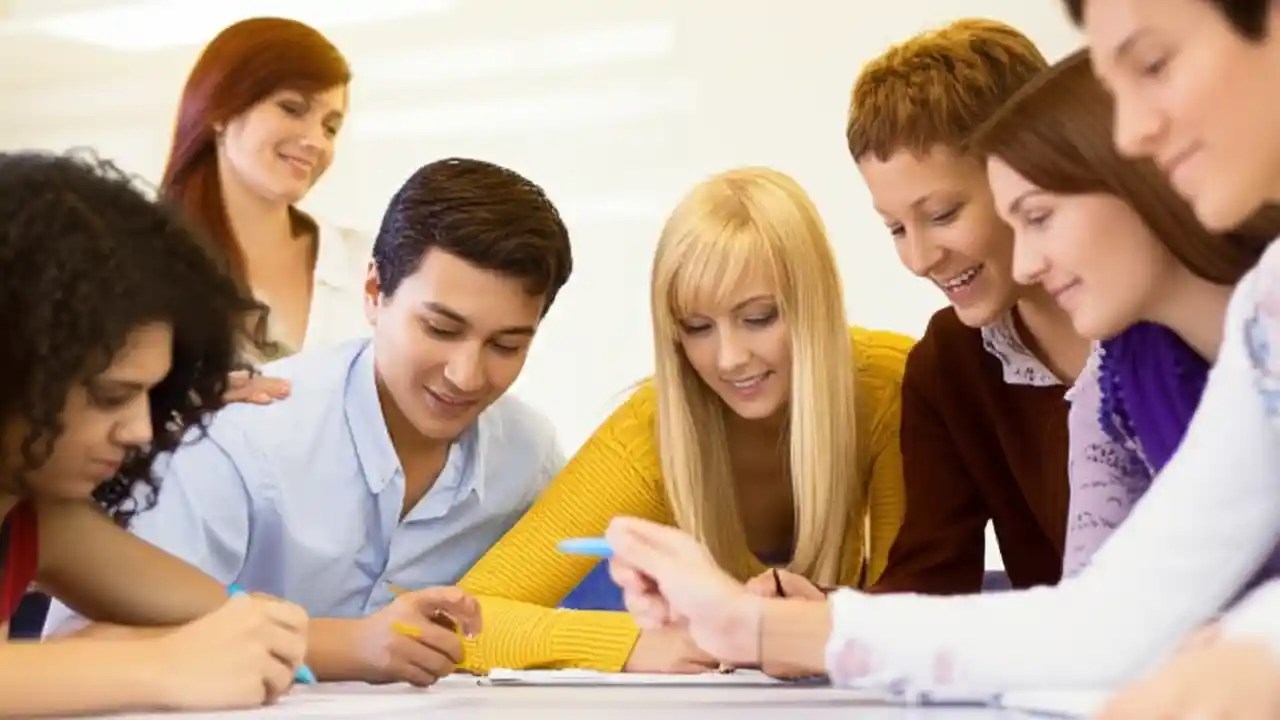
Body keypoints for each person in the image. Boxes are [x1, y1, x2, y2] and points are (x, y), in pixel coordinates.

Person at [598, 45, 1280, 696]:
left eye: (1037, 216)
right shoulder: (1126, 375)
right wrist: (754, 625)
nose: (1030, 261)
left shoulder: (1210, 336)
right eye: (895, 228)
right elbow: (1104, 615)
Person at [43, 157, 567, 688]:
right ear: (372, 291)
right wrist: (352, 646)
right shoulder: (243, 435)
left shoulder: (529, 459)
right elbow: (79, 647)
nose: (465, 375)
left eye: (506, 345)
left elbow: (218, 611)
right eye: (439, 327)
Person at [451, 166, 912, 674]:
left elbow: (920, 618)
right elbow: (460, 622)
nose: (729, 358)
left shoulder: (895, 389)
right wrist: (637, 644)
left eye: (758, 318)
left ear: (815, 303)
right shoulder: (648, 436)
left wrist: (811, 624)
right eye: (697, 328)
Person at [0, 150, 311, 715]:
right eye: (110, 397)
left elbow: (229, 620)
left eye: (154, 393)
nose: (143, 429)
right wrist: (150, 663)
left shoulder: (37, 520)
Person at [980, 49, 1280, 574]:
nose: (1024, 266)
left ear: (1132, 176)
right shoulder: (1116, 386)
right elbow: (1099, 604)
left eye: (1039, 217)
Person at [1061, 0, 1280, 716]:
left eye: (1154, 65)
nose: (1132, 134)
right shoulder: (1264, 304)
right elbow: (1122, 596)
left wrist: (1256, 648)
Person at [847, 18, 1085, 593]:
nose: (920, 258)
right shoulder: (949, 362)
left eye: (943, 214)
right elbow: (929, 582)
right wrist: (811, 621)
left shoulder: (1176, 316)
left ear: (1026, 169)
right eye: (896, 228)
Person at [161, 17, 369, 396]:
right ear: (220, 110)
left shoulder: (368, 261)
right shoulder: (141, 262)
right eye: (292, 108)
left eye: (330, 127)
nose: (316, 142)